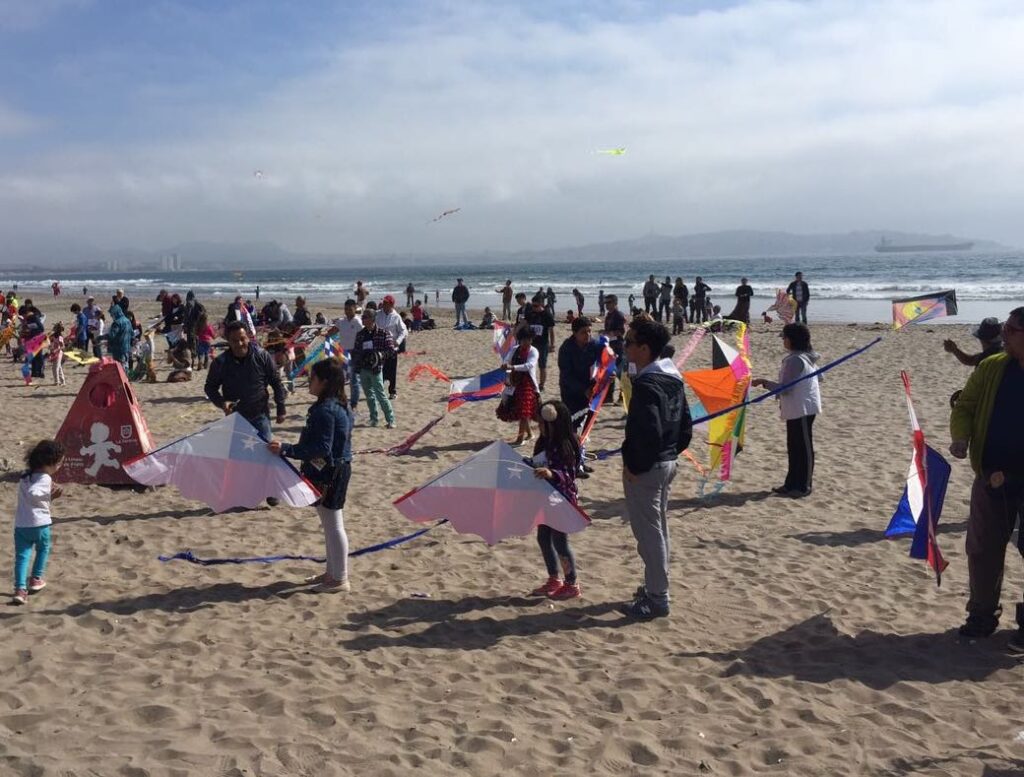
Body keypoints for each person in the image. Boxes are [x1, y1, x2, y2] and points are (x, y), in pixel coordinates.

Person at [949, 308, 1024, 647]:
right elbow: (965, 406)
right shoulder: (993, 367)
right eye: (1005, 328)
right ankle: (981, 614)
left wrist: (1011, 475)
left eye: (1011, 329)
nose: (1003, 335)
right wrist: (961, 437)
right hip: (990, 475)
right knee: (982, 549)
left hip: (1015, 477)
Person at [620, 319, 692, 620]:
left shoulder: (649, 384)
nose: (626, 347)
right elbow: (685, 424)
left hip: (649, 467)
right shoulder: (671, 378)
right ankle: (654, 586)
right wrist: (672, 452)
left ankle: (657, 597)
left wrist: (635, 465)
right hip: (666, 461)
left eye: (630, 342)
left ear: (645, 349)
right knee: (657, 529)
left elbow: (648, 430)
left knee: (649, 534)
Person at [268, 358, 354, 593]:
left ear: (324, 382)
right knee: (329, 525)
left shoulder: (327, 410)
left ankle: (340, 578)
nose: (309, 381)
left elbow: (322, 448)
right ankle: (332, 573)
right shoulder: (336, 405)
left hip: (331, 472)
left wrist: (287, 449)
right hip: (332, 469)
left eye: (312, 378)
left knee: (334, 525)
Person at [751, 322, 820, 497]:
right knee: (794, 446)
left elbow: (785, 388)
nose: (783, 341)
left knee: (803, 447)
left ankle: (803, 486)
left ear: (792, 340)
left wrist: (764, 382)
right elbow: (819, 378)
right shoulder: (805, 356)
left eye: (785, 338)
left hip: (802, 408)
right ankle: (791, 484)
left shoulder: (797, 359)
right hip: (798, 407)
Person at [527, 401, 583, 600]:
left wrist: (552, 473)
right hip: (544, 499)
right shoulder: (543, 442)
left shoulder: (566, 444)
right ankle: (554, 579)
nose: (539, 428)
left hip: (561, 500)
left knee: (560, 542)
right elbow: (538, 462)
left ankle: (572, 582)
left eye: (543, 424)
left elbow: (570, 473)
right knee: (543, 538)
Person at [205, 321, 287, 443]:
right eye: (234, 340)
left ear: (248, 337)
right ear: (228, 341)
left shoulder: (262, 356)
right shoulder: (220, 362)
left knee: (264, 453)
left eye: (242, 339)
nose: (239, 343)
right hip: (235, 418)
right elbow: (210, 387)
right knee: (237, 455)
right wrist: (222, 403)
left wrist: (281, 408)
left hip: (260, 415)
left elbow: (276, 382)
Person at [11, 440, 64, 605]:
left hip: (21, 525)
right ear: (49, 463)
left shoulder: (25, 477)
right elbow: (35, 493)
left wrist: (45, 494)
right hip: (40, 525)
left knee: (22, 557)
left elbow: (31, 495)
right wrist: (51, 496)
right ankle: (36, 579)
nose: (59, 467)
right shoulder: (45, 478)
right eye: (59, 463)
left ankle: (20, 590)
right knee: (42, 550)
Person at [558, 317, 600, 477]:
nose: (587, 335)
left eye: (589, 331)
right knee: (572, 428)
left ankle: (580, 460)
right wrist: (583, 390)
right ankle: (574, 463)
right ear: (575, 333)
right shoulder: (566, 348)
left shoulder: (594, 345)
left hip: (591, 393)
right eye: (583, 332)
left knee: (586, 428)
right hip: (571, 392)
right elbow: (566, 376)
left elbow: (603, 363)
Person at [353, 310, 396, 428]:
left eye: (365, 317)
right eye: (362, 317)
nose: (363, 319)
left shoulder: (383, 333)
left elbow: (391, 350)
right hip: (363, 369)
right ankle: (374, 419)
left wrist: (380, 355)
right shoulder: (360, 334)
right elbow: (356, 351)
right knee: (369, 396)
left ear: (373, 319)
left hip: (376, 369)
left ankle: (391, 420)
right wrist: (356, 368)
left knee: (380, 395)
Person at [497, 327, 539, 446]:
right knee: (519, 410)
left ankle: (520, 439)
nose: (527, 342)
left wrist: (513, 367)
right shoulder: (515, 349)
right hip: (514, 382)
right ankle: (530, 434)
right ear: (520, 340)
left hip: (527, 384)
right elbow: (506, 360)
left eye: (529, 340)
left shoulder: (534, 351)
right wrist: (506, 370)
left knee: (524, 411)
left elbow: (529, 365)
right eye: (524, 340)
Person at [330, 299, 363, 413]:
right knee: (340, 378)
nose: (347, 311)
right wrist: (320, 333)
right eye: (346, 309)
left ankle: (354, 403)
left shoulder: (358, 322)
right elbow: (332, 331)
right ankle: (341, 399)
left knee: (354, 379)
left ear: (355, 309)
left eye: (350, 309)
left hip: (355, 353)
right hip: (343, 353)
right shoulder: (341, 321)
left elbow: (364, 335)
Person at [376, 295, 408, 400]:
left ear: (391, 304)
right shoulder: (377, 314)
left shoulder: (396, 316)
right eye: (383, 302)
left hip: (391, 348)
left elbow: (404, 331)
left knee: (392, 371)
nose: (384, 304)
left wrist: (398, 341)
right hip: (379, 347)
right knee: (380, 370)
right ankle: (380, 391)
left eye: (386, 303)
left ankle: (392, 391)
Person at [523, 294, 556, 392]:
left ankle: (541, 384)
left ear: (542, 304)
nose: (534, 308)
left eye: (536, 306)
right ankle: (529, 382)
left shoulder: (547, 315)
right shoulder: (530, 314)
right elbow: (524, 324)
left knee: (542, 365)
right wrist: (516, 331)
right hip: (530, 343)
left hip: (542, 344)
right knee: (528, 364)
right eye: (533, 305)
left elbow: (551, 331)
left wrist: (552, 344)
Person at [181, 291, 205, 369]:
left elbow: (186, 317)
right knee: (196, 344)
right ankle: (199, 360)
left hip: (193, 328)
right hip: (195, 328)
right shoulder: (198, 305)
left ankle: (194, 361)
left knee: (192, 344)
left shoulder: (190, 305)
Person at [107, 303, 133, 371]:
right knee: (125, 366)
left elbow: (111, 335)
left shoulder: (117, 323)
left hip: (118, 349)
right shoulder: (127, 321)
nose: (111, 316)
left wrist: (100, 338)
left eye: (112, 314)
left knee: (119, 368)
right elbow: (132, 334)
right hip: (127, 348)